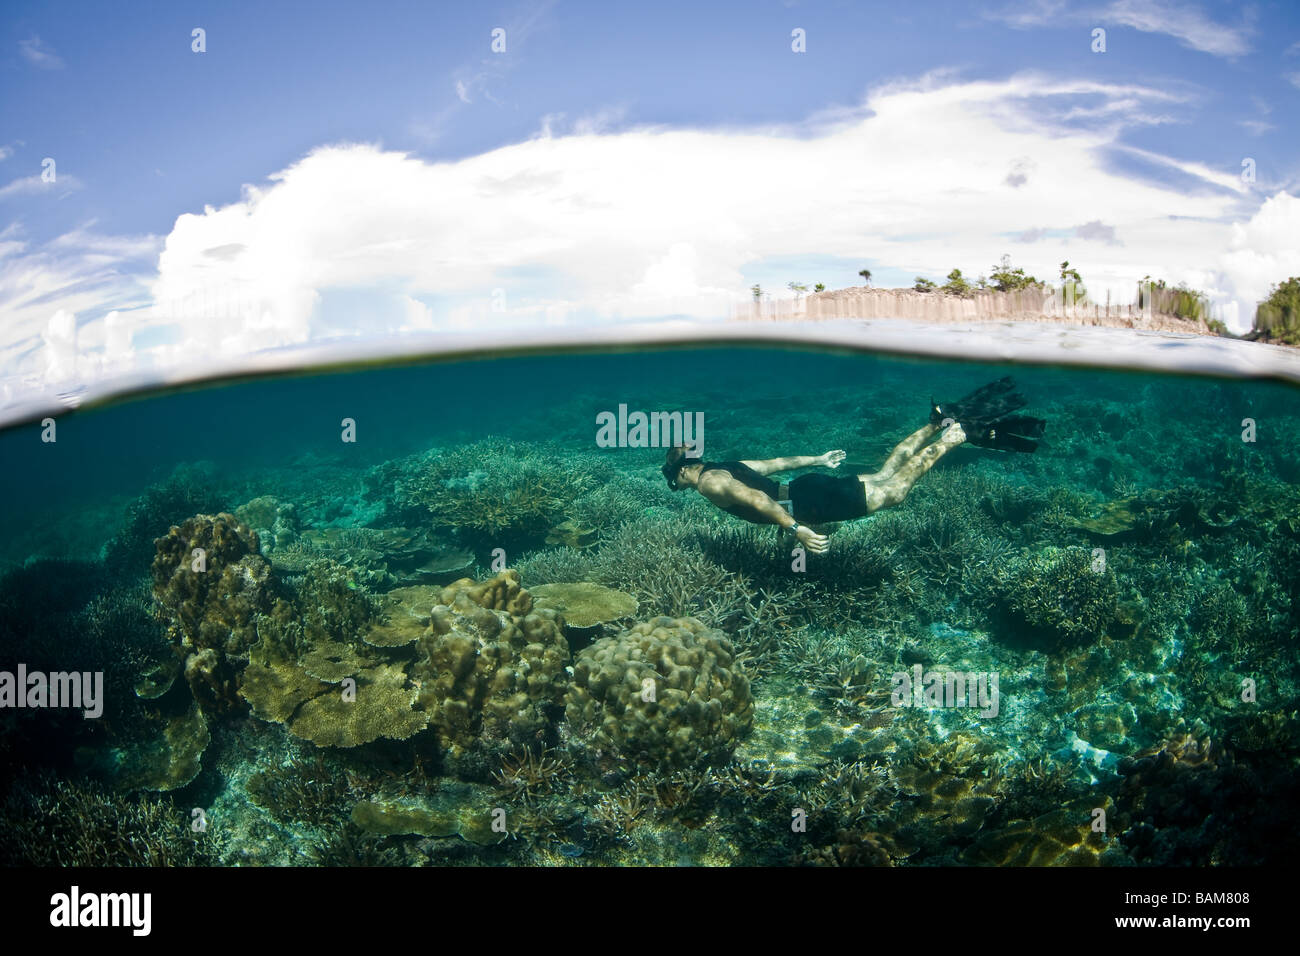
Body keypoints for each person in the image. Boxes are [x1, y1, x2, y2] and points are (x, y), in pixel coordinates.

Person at [660, 377, 1045, 554]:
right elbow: (776, 463)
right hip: (805, 487)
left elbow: (755, 501)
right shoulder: (724, 464)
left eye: (671, 482)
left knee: (894, 491)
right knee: (882, 474)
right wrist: (819, 459)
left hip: (807, 505)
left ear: (682, 472)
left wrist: (796, 530)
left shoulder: (709, 484)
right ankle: (935, 420)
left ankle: (952, 436)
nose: (674, 489)